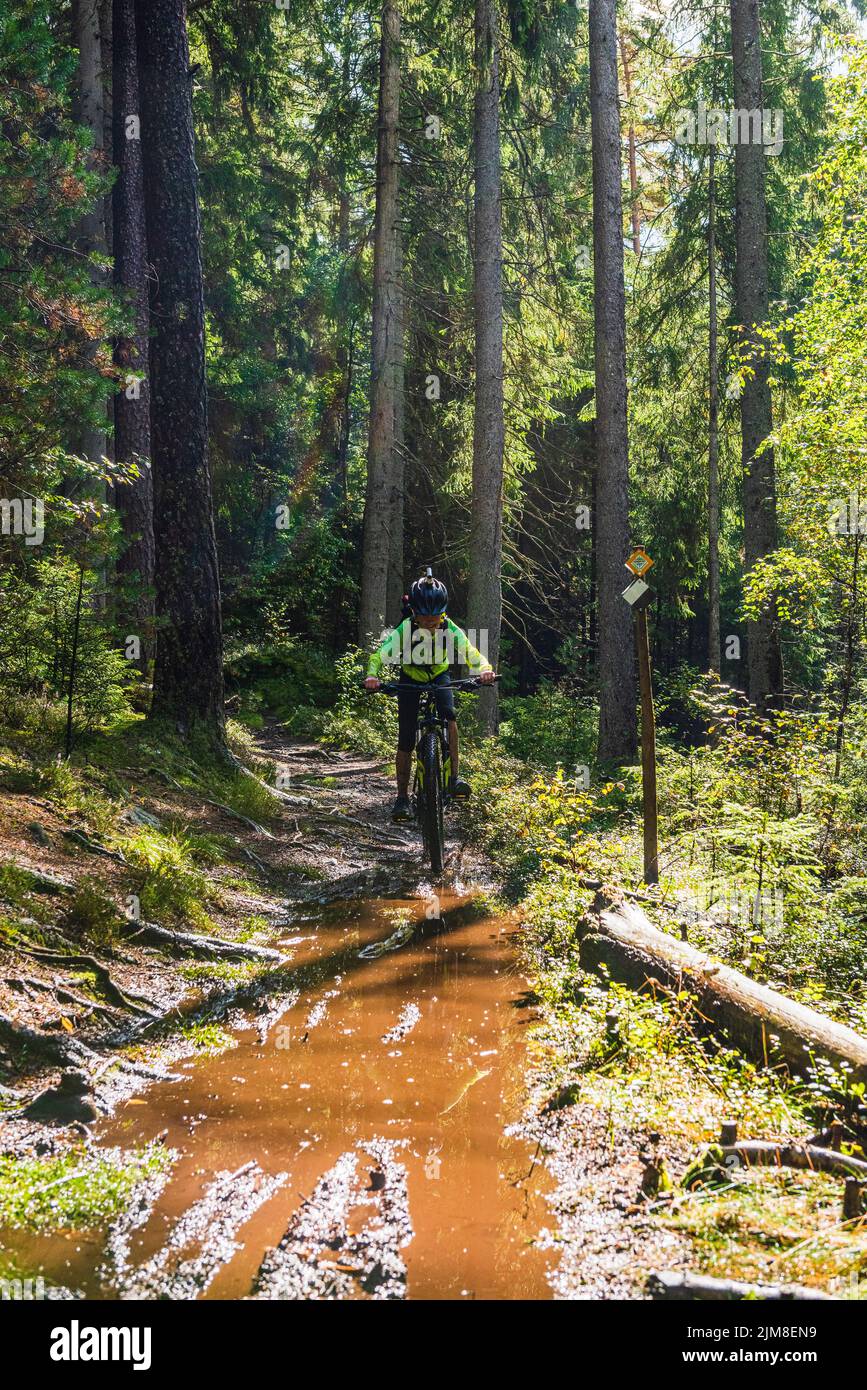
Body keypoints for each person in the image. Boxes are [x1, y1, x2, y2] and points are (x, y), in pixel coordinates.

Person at [364, 573, 495, 821]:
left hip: (439, 675)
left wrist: (485, 669)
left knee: (449, 716)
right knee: (405, 737)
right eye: (426, 621)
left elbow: (469, 651)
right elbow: (380, 655)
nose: (431, 626)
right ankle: (402, 799)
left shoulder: (448, 625)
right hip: (411, 677)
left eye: (435, 621)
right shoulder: (407, 627)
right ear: (415, 614)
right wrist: (372, 676)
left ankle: (455, 778)